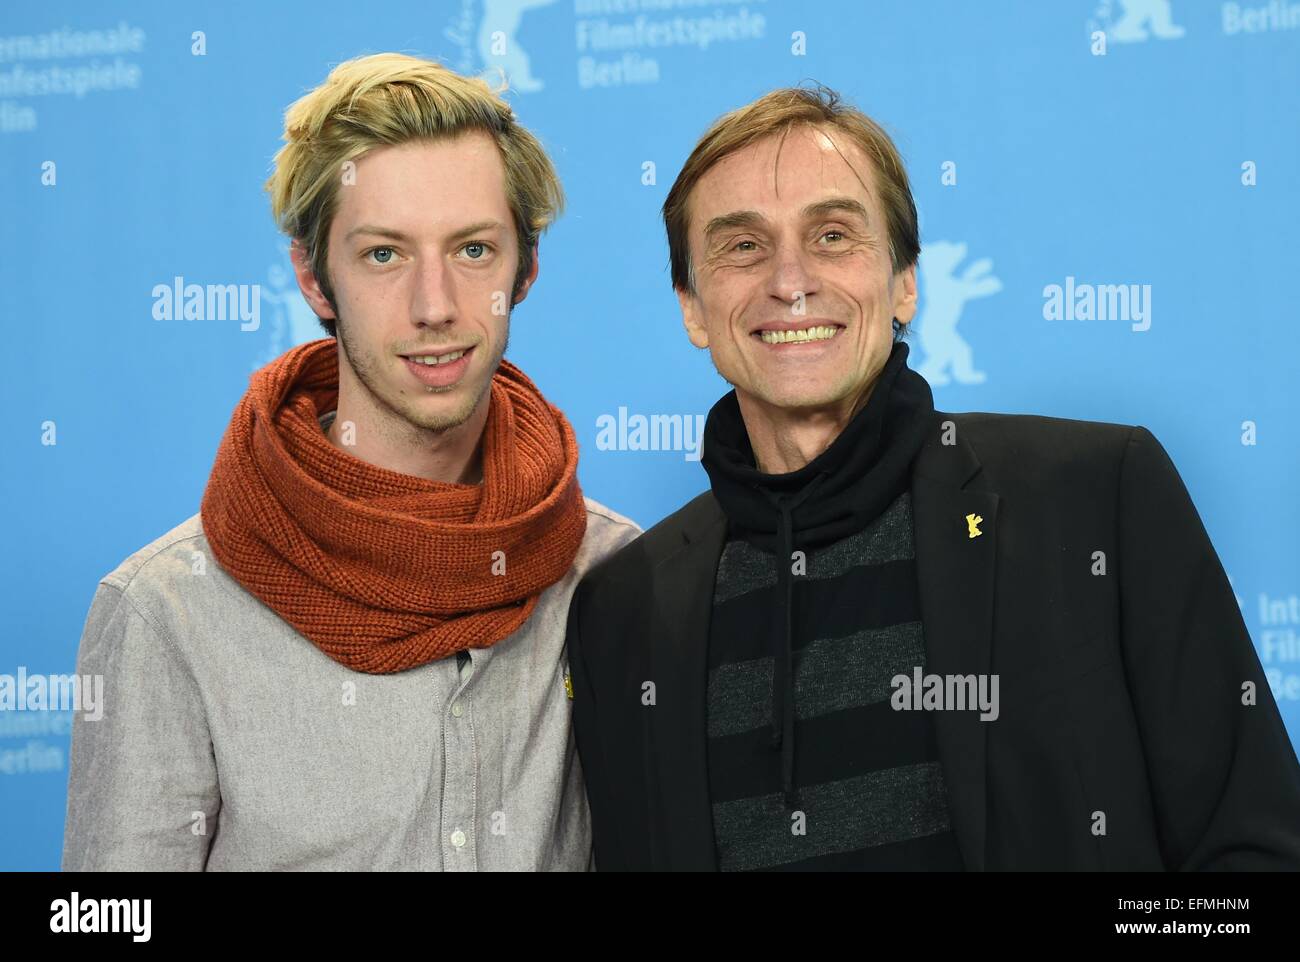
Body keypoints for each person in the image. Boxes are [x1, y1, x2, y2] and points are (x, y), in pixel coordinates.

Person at [565, 85, 1300, 871]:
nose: (790, 280)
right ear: (693, 307)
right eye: (742, 246)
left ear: (905, 281)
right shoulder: (625, 608)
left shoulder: (1098, 499)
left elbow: (1252, 857)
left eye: (834, 234)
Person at [62, 53, 639, 871]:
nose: (434, 305)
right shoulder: (169, 613)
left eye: (474, 250)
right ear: (313, 279)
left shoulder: (612, 577)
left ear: (527, 268)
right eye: (383, 255)